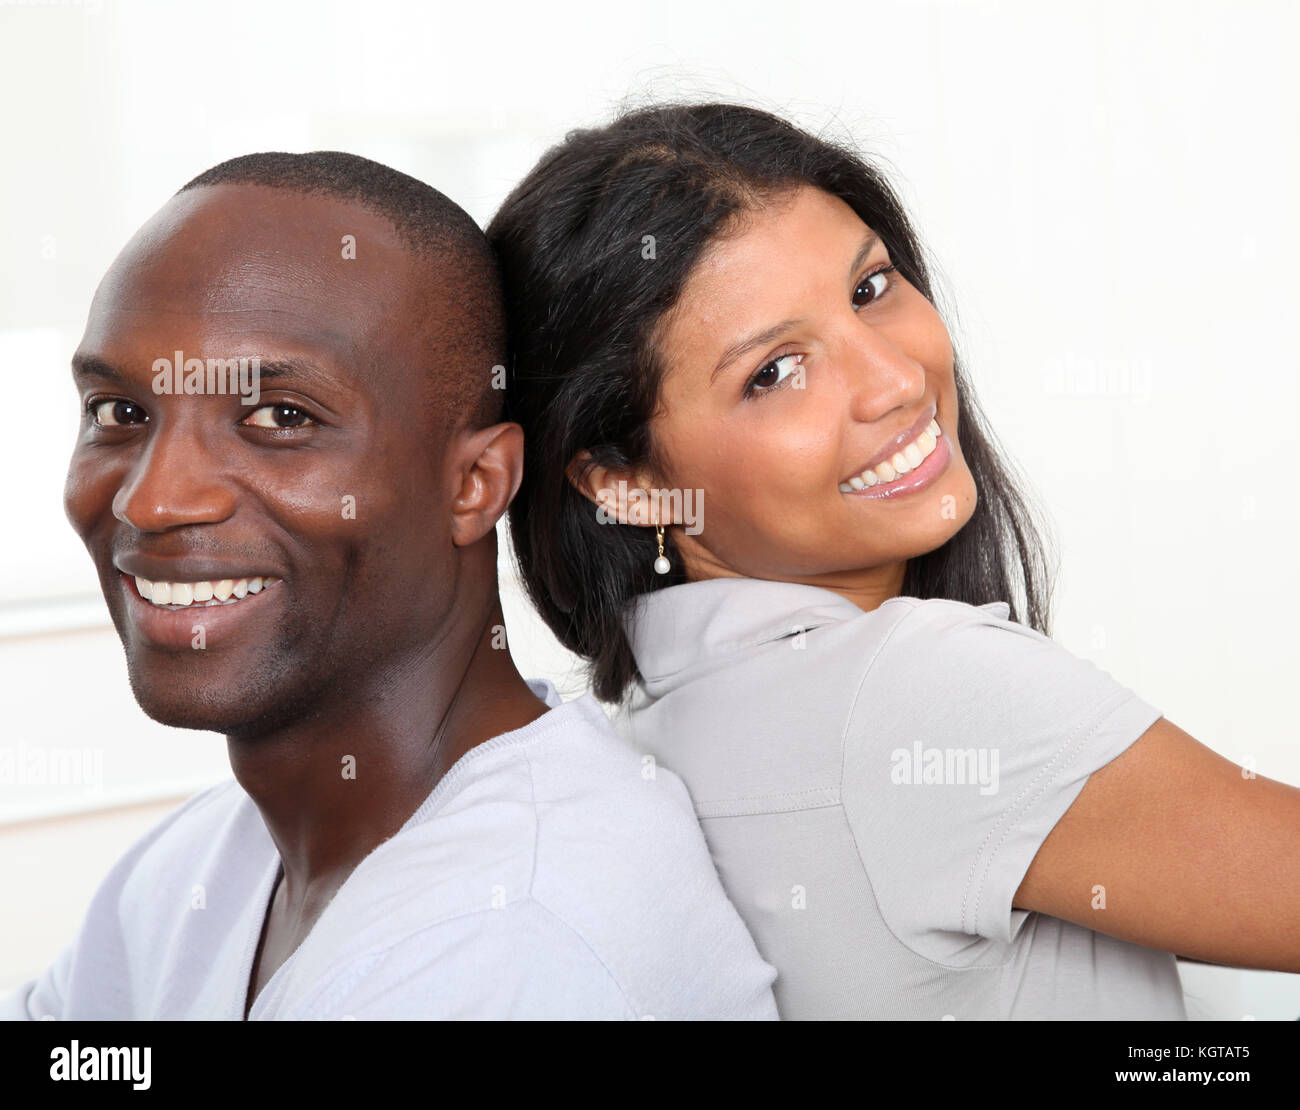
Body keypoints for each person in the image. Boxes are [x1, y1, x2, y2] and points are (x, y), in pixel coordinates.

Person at [485, 101, 1300, 1019]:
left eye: (870, 289)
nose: (897, 380)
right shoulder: (919, 692)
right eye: (774, 372)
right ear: (622, 483)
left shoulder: (645, 728)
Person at [2, 151, 779, 1021]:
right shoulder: (195, 869)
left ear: (476, 483)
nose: (153, 499)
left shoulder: (514, 935)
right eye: (120, 413)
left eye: (281, 418)